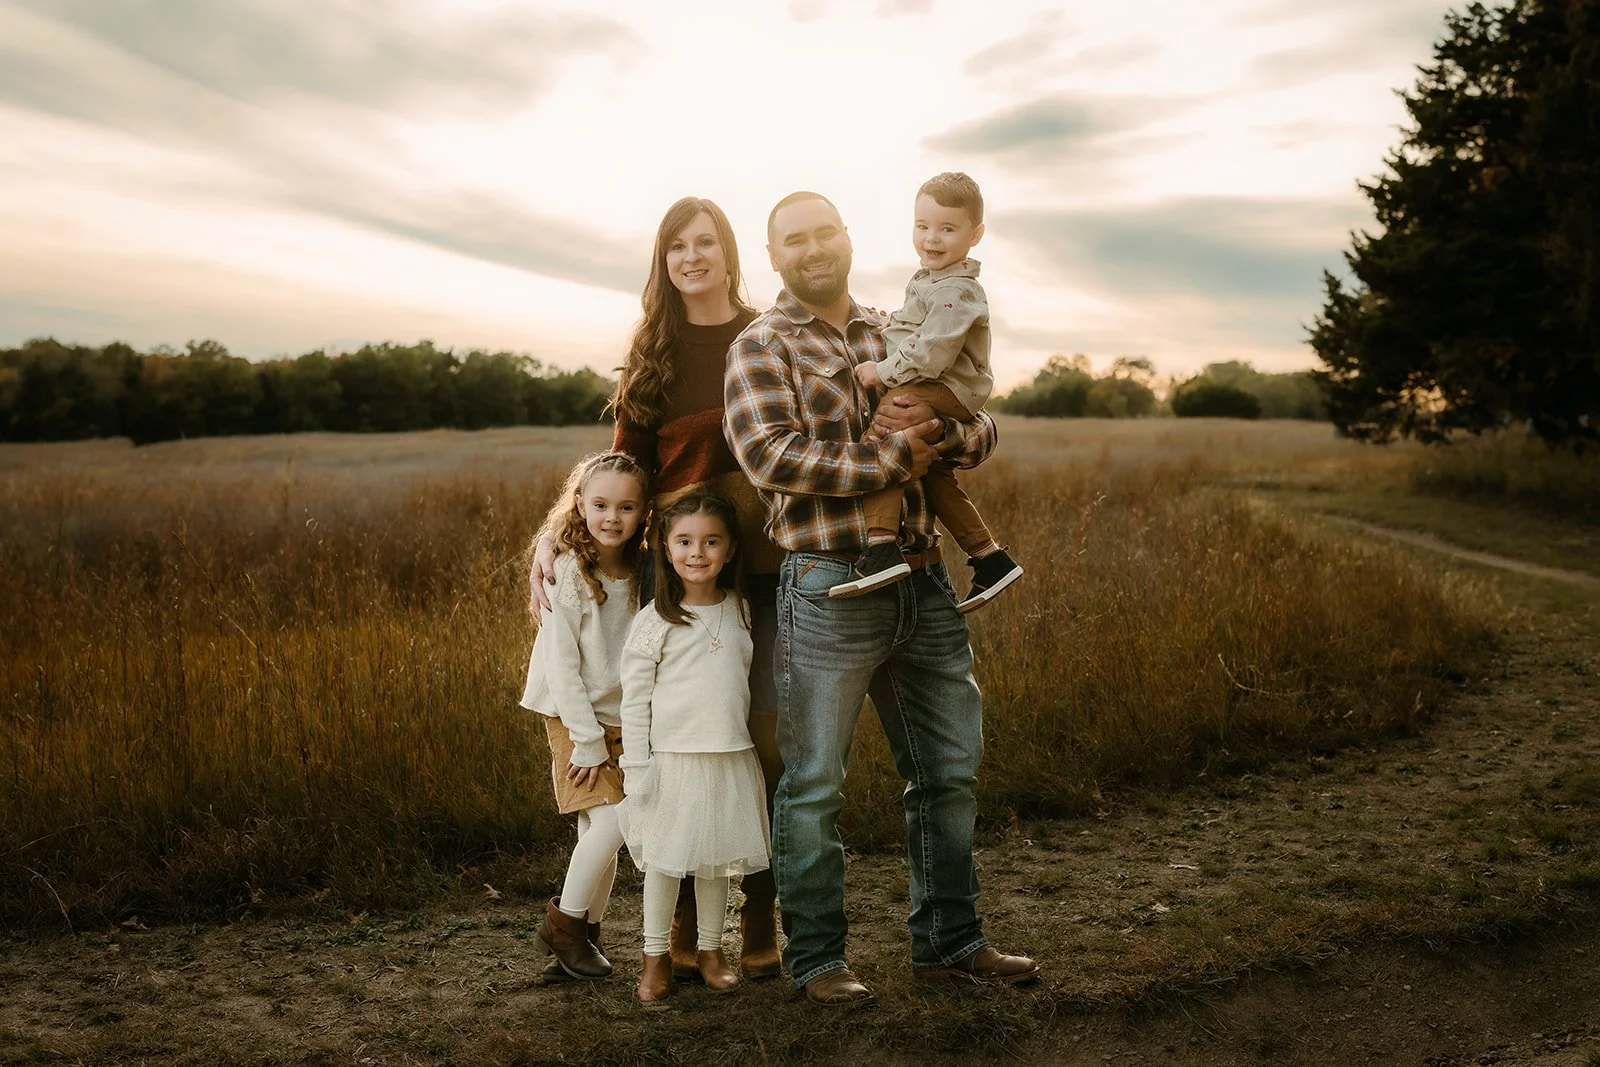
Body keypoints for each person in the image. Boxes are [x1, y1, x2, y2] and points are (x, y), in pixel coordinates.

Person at [723, 191, 1039, 1006]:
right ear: (775, 255)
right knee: (814, 783)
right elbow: (772, 456)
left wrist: (952, 433)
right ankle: (818, 959)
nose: (813, 248)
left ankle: (950, 942)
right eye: (795, 239)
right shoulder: (761, 344)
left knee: (948, 769)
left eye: (825, 231)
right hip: (829, 583)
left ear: (848, 237)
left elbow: (981, 419)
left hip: (923, 579)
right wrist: (897, 459)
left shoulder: (898, 323)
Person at [529, 197, 785, 982]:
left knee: (764, 746)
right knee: (676, 741)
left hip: (768, 567)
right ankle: (683, 924)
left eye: (706, 241)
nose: (692, 256)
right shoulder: (654, 352)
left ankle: (761, 912)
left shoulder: (768, 335)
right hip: (676, 577)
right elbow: (623, 471)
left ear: (729, 252)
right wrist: (552, 533)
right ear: (663, 261)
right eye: (678, 245)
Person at [832, 172, 1023, 612]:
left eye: (947, 228)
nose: (932, 238)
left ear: (975, 235)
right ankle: (989, 557)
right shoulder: (934, 281)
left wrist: (880, 370)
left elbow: (932, 352)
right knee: (934, 472)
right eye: (923, 226)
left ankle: (881, 547)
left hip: (942, 385)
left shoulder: (955, 289)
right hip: (942, 386)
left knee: (887, 434)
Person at [617, 491, 772, 1004]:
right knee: (666, 863)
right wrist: (637, 765)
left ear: (730, 550)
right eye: (684, 541)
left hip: (729, 754)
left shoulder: (741, 610)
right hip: (672, 760)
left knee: (717, 861)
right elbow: (634, 701)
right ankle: (654, 955)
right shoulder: (655, 620)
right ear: (665, 549)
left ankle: (710, 950)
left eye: (711, 542)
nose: (697, 553)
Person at [519, 451, 650, 980]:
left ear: (644, 513)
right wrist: (588, 741)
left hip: (620, 713)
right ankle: (565, 927)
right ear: (579, 504)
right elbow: (562, 667)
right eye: (600, 505)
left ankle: (583, 939)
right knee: (618, 819)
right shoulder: (568, 571)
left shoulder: (645, 568)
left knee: (599, 829)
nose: (612, 517)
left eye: (626, 507)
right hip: (574, 714)